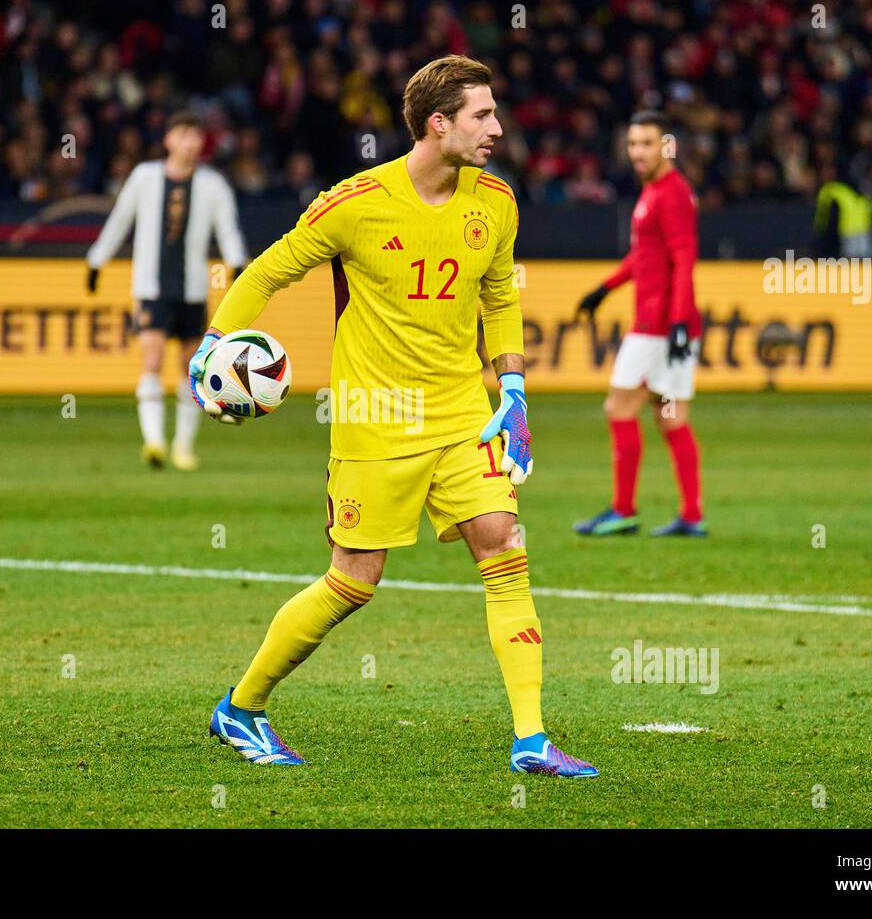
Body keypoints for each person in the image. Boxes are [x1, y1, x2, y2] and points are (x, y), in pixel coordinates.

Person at [190, 56, 598, 777]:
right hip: (373, 415)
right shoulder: (354, 203)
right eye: (482, 115)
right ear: (437, 123)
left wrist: (513, 391)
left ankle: (531, 738)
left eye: (496, 113)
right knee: (354, 578)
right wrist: (215, 343)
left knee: (503, 546)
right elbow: (267, 271)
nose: (498, 128)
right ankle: (242, 706)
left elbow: (499, 299)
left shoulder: (496, 202)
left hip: (462, 411)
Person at [86, 112, 247, 470]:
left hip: (191, 289)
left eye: (196, 136)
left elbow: (227, 227)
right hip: (150, 288)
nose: (190, 143)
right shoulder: (144, 177)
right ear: (169, 139)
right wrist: (97, 260)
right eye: (184, 134)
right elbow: (120, 220)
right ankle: (154, 442)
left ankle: (183, 446)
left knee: (192, 369)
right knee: (152, 360)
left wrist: (237, 263)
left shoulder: (212, 184)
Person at [574, 110, 707, 538]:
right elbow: (646, 257)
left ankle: (623, 510)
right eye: (633, 144)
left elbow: (684, 259)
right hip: (666, 323)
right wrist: (605, 287)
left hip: (658, 326)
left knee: (618, 408)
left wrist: (679, 321)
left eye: (647, 143)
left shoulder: (671, 194)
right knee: (671, 417)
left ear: (667, 147)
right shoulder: (656, 192)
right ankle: (691, 516)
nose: (638, 153)